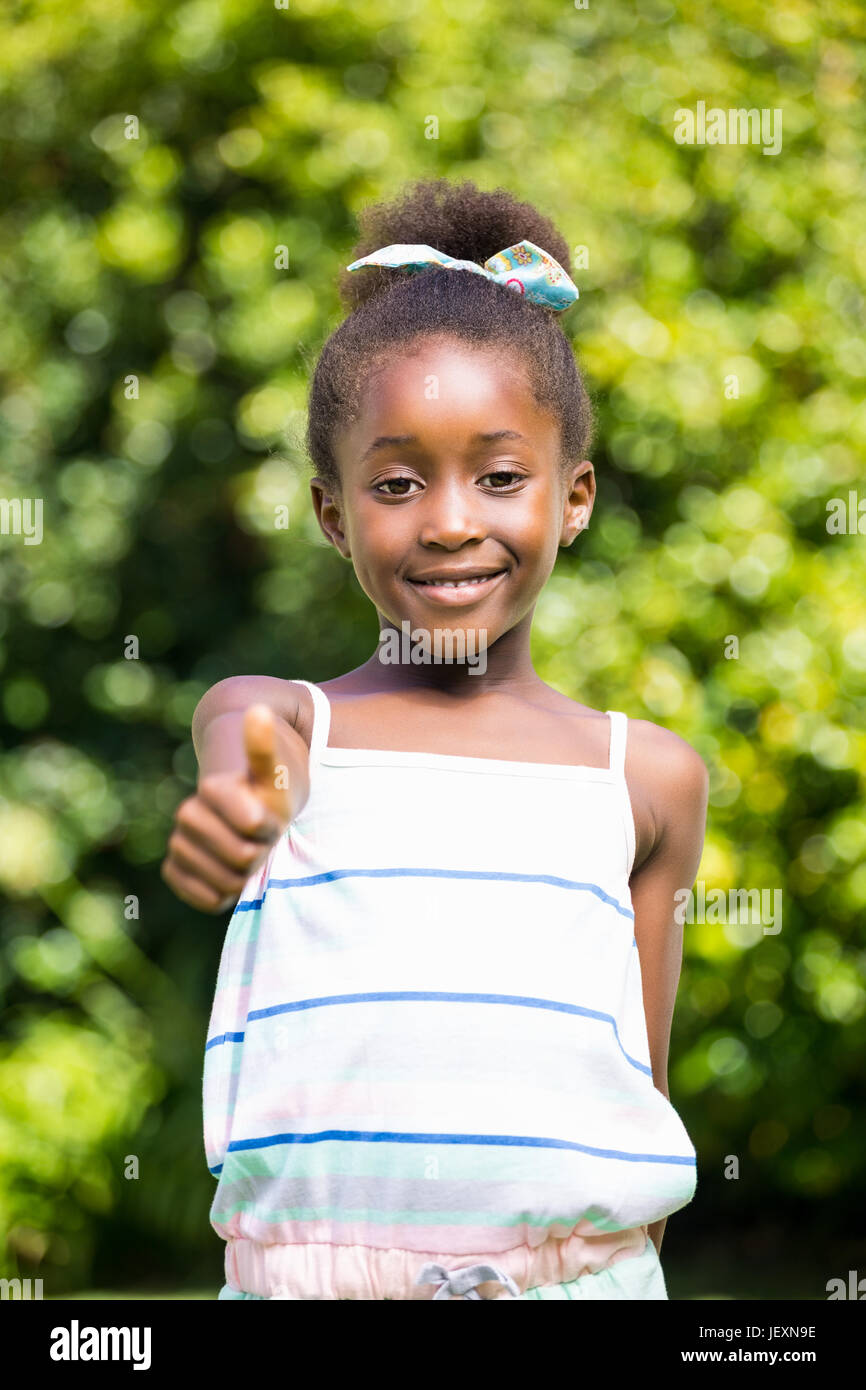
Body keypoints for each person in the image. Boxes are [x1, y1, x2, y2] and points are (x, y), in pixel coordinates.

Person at [161, 178, 709, 1300]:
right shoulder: (297, 726)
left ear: (573, 497)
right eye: (398, 482)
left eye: (501, 477)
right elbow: (241, 729)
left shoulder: (645, 779)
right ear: (331, 513)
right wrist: (240, 796)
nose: (452, 519)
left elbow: (638, 1080)